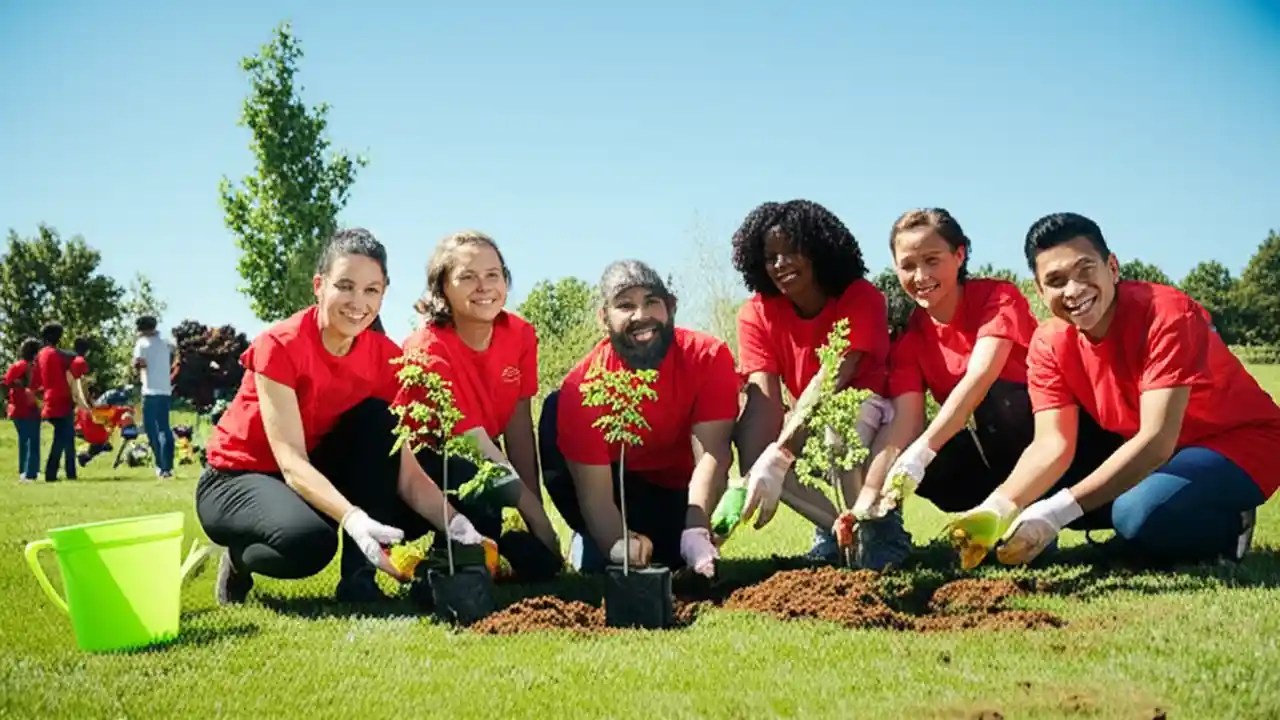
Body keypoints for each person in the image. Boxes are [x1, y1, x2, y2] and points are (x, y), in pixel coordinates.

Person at [960, 212, 1280, 567]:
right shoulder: (1049, 343)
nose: (1074, 290)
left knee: (1136, 514)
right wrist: (997, 506)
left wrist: (1054, 513)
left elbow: (1157, 441)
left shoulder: (1166, 314)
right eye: (1056, 280)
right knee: (1078, 495)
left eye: (1085, 270)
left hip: (1238, 443)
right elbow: (1052, 444)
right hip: (1165, 452)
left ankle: (1229, 526)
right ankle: (1151, 528)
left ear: (1112, 267)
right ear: (1039, 289)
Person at [196, 228, 488, 605]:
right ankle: (238, 560)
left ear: (383, 294)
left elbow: (404, 469)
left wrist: (456, 526)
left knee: (378, 424)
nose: (357, 302)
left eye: (371, 290)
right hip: (237, 478)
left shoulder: (384, 356)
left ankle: (358, 584)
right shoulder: (280, 346)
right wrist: (352, 518)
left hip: (313, 467)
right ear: (320, 285)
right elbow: (290, 462)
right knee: (309, 544)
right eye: (345, 286)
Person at [864, 209, 1118, 533]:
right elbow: (906, 420)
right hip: (999, 455)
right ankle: (989, 517)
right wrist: (873, 491)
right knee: (925, 450)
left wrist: (922, 451)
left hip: (1070, 444)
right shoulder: (910, 338)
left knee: (999, 400)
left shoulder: (997, 297)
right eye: (908, 265)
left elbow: (980, 377)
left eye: (931, 260)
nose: (920, 276)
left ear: (959, 255)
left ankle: (1026, 508)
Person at [539, 260, 737, 577]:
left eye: (652, 302)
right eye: (625, 305)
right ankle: (591, 538)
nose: (641, 315)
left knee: (675, 558)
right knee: (553, 409)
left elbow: (712, 455)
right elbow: (596, 495)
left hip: (682, 490)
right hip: (618, 488)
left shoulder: (707, 356)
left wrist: (697, 529)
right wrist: (617, 546)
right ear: (604, 318)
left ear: (670, 307)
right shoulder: (584, 387)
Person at [729, 199, 897, 566]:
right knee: (760, 448)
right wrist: (755, 464)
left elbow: (835, 373)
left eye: (792, 251)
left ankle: (880, 534)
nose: (780, 264)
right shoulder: (755, 314)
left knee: (837, 426)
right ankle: (839, 531)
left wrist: (783, 451)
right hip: (808, 417)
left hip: (873, 416)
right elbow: (764, 399)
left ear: (820, 248)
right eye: (770, 255)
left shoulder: (860, 297)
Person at [399, 230, 562, 581]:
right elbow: (473, 443)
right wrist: (535, 515)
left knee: (541, 566)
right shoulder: (426, 348)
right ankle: (443, 557)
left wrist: (536, 515)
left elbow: (519, 428)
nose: (484, 286)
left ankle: (496, 545)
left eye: (493, 275)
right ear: (443, 288)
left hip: (484, 457)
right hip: (422, 471)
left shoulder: (519, 334)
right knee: (476, 482)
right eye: (467, 277)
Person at [35, 323, 88, 482]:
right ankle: (51, 472)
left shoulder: (41, 354)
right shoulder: (58, 354)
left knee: (67, 436)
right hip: (61, 400)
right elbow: (75, 361)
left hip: (49, 399)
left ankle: (70, 472)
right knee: (61, 439)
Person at [133, 316, 178, 478]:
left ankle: (160, 463)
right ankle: (168, 466)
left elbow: (139, 364)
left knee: (151, 429)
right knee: (164, 428)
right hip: (165, 390)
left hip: (149, 390)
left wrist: (136, 368)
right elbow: (173, 357)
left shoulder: (141, 344)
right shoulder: (165, 343)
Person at [5, 338, 42, 482]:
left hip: (15, 409)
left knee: (24, 441)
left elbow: (6, 382)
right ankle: (31, 472)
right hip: (30, 408)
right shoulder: (33, 368)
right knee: (33, 441)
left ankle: (23, 470)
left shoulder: (16, 366)